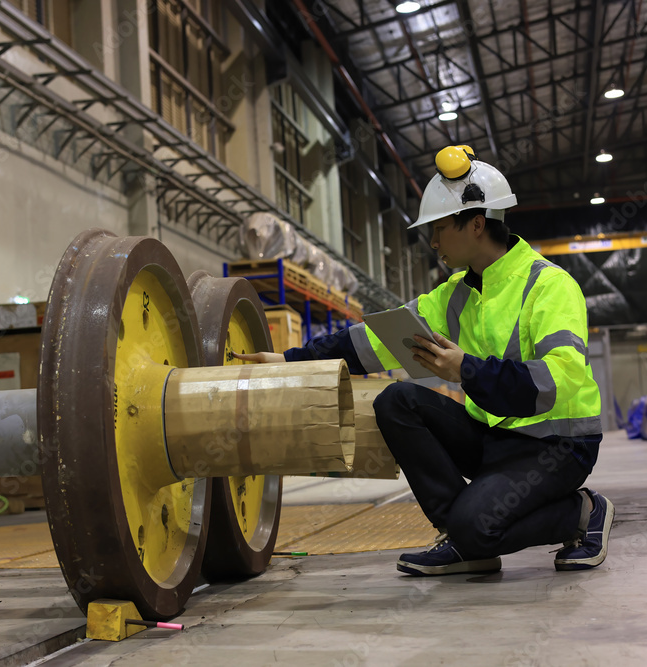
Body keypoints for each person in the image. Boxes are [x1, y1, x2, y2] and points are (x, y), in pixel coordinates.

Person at [235, 145, 613, 576]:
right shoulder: (454, 294)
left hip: (556, 446)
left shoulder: (549, 286)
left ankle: (581, 513)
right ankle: (464, 537)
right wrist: (289, 359)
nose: (432, 242)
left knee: (476, 526)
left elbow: (555, 381)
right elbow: (371, 342)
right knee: (397, 401)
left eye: (438, 229)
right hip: (498, 439)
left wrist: (465, 369)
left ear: (475, 224)